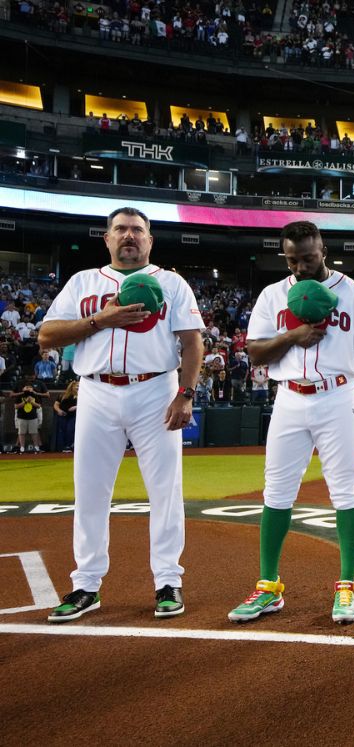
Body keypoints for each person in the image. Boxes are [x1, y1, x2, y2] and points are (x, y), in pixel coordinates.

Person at [38, 206, 203, 622]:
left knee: (165, 490)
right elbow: (47, 335)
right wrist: (100, 319)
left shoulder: (172, 283)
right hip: (96, 389)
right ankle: (86, 585)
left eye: (137, 230)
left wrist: (185, 394)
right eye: (121, 230)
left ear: (150, 240)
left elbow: (192, 343)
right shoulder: (83, 283)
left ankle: (168, 580)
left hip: (156, 389)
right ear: (107, 238)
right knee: (90, 492)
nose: (129, 236)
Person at [228, 220, 354, 625]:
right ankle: (268, 587)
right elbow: (256, 352)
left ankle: (347, 586)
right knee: (276, 491)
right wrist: (293, 337)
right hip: (290, 397)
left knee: (346, 490)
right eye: (293, 259)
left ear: (324, 251)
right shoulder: (272, 295)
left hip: (337, 395)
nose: (300, 266)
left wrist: (338, 359)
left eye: (309, 257)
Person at [13, 383, 43, 453]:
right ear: (23, 389)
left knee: (34, 432)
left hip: (33, 417)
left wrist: (32, 402)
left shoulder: (34, 395)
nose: (28, 389)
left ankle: (36, 447)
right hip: (21, 417)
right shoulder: (20, 395)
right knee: (21, 433)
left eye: (30, 387)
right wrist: (25, 401)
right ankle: (22, 448)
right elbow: (16, 406)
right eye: (26, 387)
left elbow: (38, 406)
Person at [54, 379, 79, 452]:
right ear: (72, 386)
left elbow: (85, 405)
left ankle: (70, 445)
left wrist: (75, 407)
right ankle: (63, 447)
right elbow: (56, 404)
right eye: (77, 386)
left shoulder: (81, 395)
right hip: (63, 415)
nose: (78, 388)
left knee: (70, 430)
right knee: (62, 431)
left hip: (73, 416)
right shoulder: (63, 395)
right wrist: (59, 410)